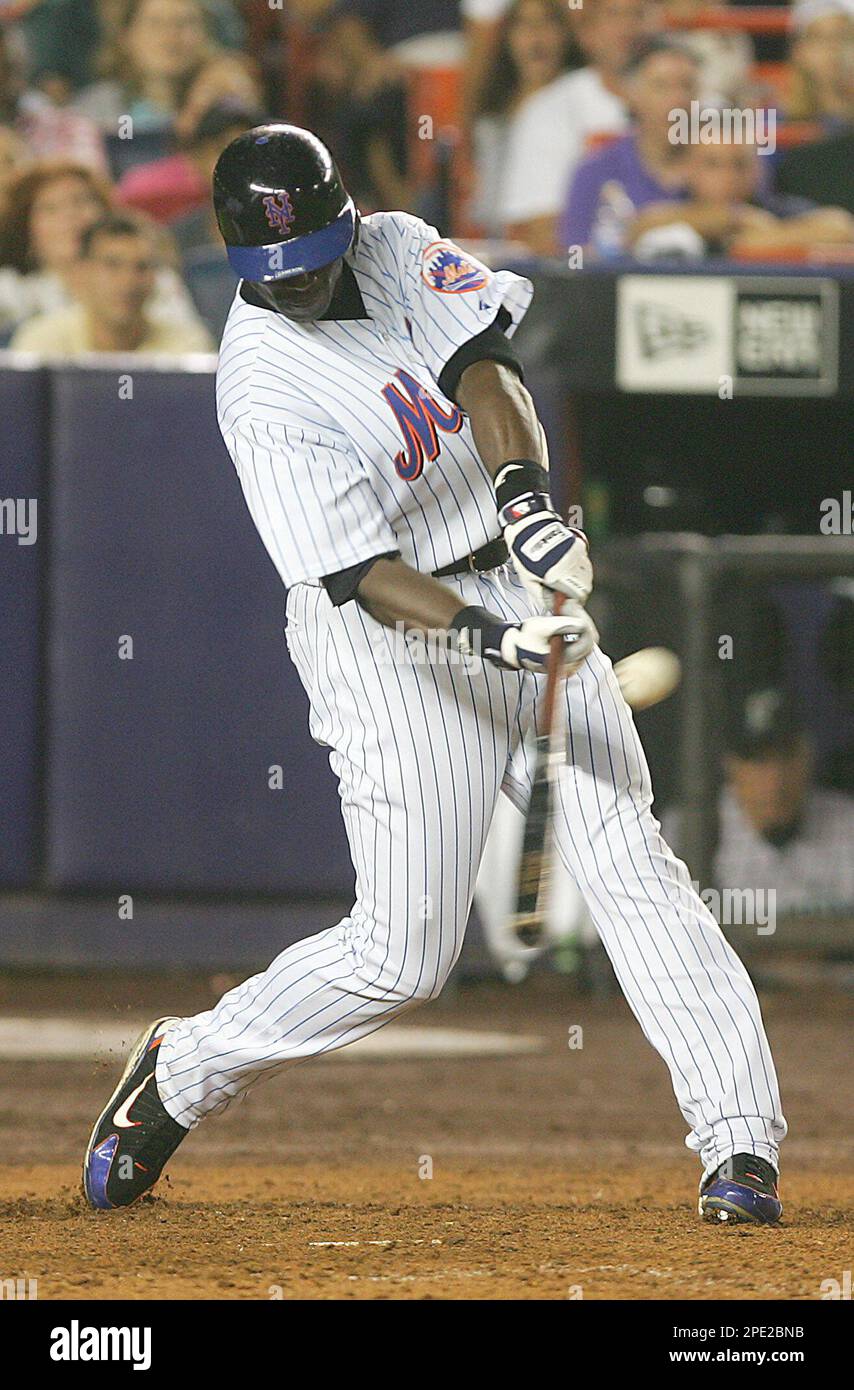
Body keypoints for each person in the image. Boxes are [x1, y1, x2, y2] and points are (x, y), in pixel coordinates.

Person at [82, 123, 786, 1228]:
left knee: (632, 864)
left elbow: (484, 367)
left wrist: (520, 497)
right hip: (392, 636)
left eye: (319, 253)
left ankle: (738, 1146)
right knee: (404, 953)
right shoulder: (259, 387)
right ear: (236, 259)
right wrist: (490, 640)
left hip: (503, 572)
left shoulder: (395, 244)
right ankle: (183, 1069)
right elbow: (357, 572)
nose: (310, 281)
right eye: (286, 271)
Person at [472, 0, 652, 253]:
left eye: (638, 14)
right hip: (584, 272)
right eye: (614, 14)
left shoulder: (694, 102)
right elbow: (534, 227)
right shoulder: (547, 108)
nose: (627, 27)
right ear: (585, 32)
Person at [665, 689, 854, 917]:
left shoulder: (846, 825)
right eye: (758, 760)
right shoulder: (688, 830)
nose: (775, 778)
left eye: (785, 756)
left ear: (808, 755)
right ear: (730, 765)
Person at [0, 158, 209, 339]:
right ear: (27, 229)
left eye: (80, 201)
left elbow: (188, 348)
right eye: (50, 209)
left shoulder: (155, 280)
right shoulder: (11, 292)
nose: (69, 216)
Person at [559, 36, 699, 258]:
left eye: (687, 86)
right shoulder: (595, 171)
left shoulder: (723, 163)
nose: (678, 100)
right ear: (632, 95)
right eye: (661, 87)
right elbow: (575, 258)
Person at [627, 129, 854, 259]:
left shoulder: (777, 207)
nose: (729, 176)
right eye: (713, 164)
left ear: (758, 170)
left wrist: (749, 241)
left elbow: (841, 227)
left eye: (740, 164)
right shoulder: (678, 206)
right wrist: (737, 218)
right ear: (688, 169)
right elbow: (640, 228)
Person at [9, 211, 212, 351]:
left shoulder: (188, 348)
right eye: (112, 265)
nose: (128, 281)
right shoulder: (40, 344)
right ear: (83, 272)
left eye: (142, 267)